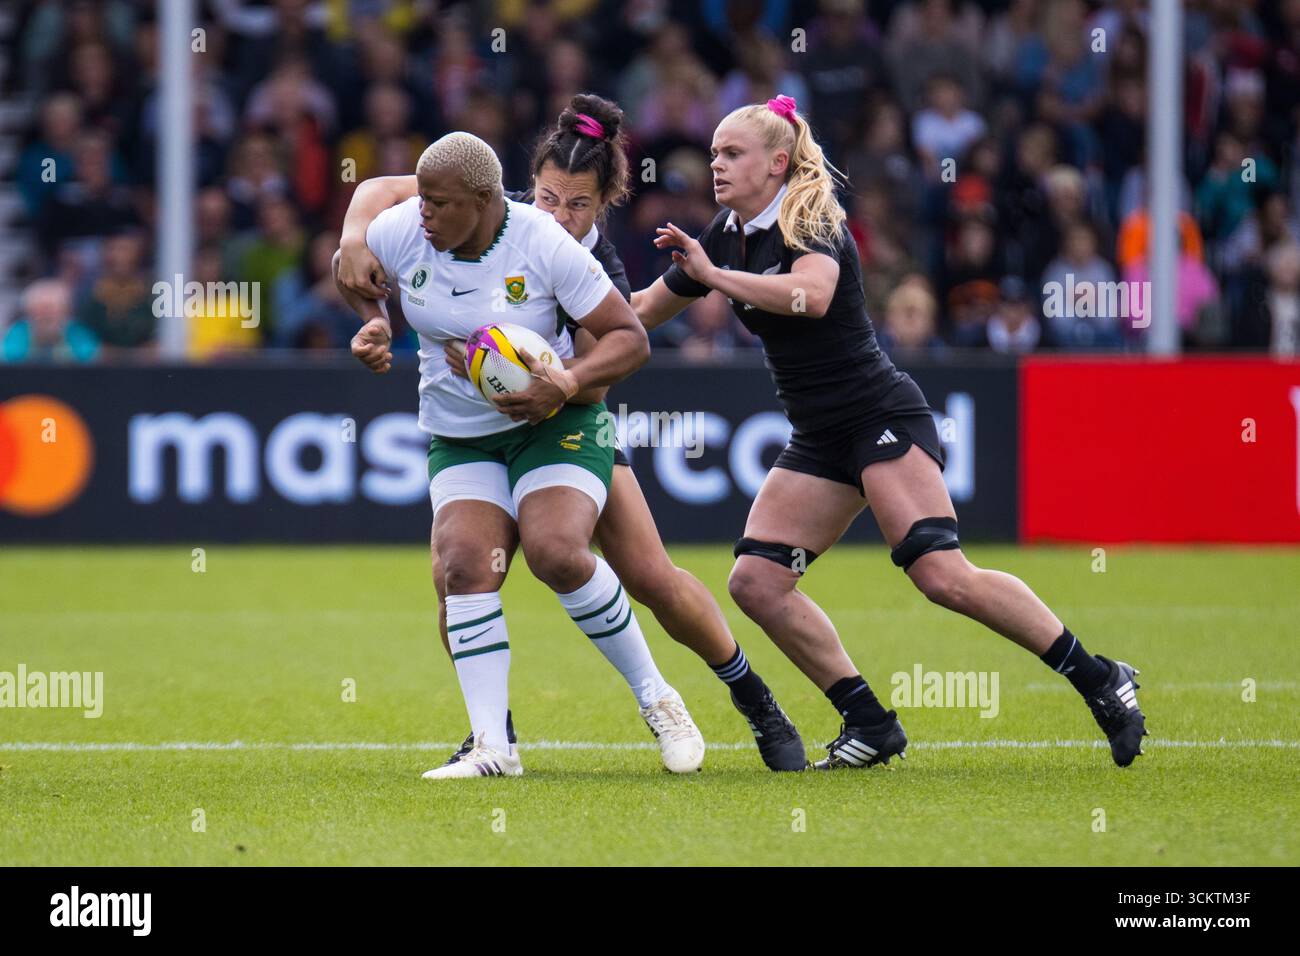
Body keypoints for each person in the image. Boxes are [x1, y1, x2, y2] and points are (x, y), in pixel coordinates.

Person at [632, 95, 1149, 769]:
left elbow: (809, 295)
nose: (717, 166)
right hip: (819, 436)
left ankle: (1100, 677)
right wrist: (554, 315)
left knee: (941, 575)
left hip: (878, 416)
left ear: (776, 162)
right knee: (756, 582)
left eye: (732, 154)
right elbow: (639, 310)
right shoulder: (728, 232)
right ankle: (870, 723)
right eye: (714, 155)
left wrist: (713, 276)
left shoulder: (808, 218)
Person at [336, 95, 807, 772]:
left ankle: (744, 696)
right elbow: (384, 191)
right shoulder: (464, 201)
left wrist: (548, 379)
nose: (560, 213)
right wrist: (357, 249)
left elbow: (617, 352)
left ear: (602, 205)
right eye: (550, 197)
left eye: (578, 205)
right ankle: (492, 737)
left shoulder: (570, 256)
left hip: (565, 416)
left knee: (637, 573)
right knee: (461, 571)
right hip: (473, 430)